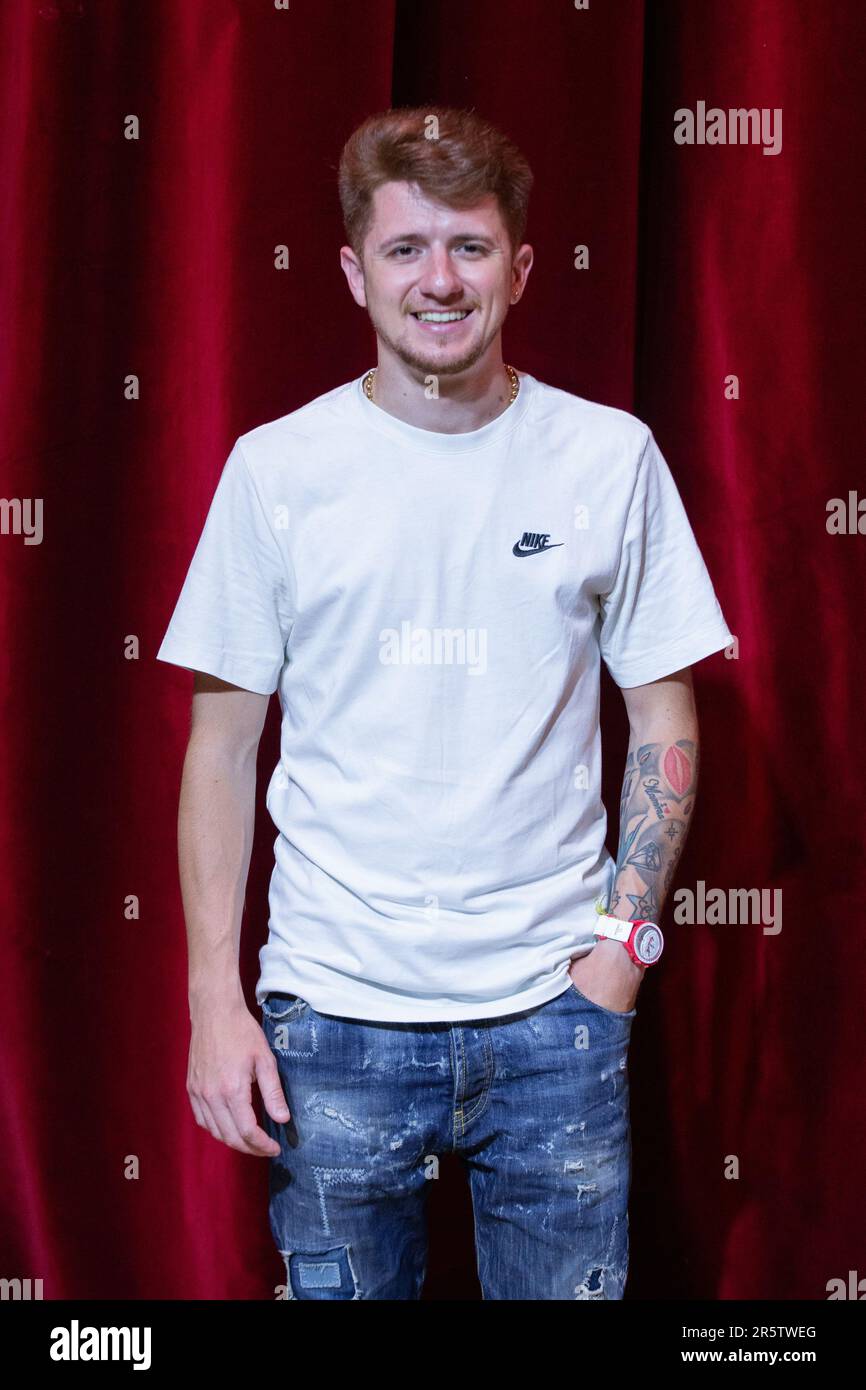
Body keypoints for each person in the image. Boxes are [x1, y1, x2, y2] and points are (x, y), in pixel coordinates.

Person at [157, 105, 734, 1300]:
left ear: (518, 269)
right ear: (351, 270)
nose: (438, 279)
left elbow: (664, 718)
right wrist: (216, 1003)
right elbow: (218, 753)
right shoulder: (276, 470)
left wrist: (621, 953)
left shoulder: (607, 455)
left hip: (552, 1024)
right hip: (330, 1024)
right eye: (404, 247)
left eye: (468, 247)